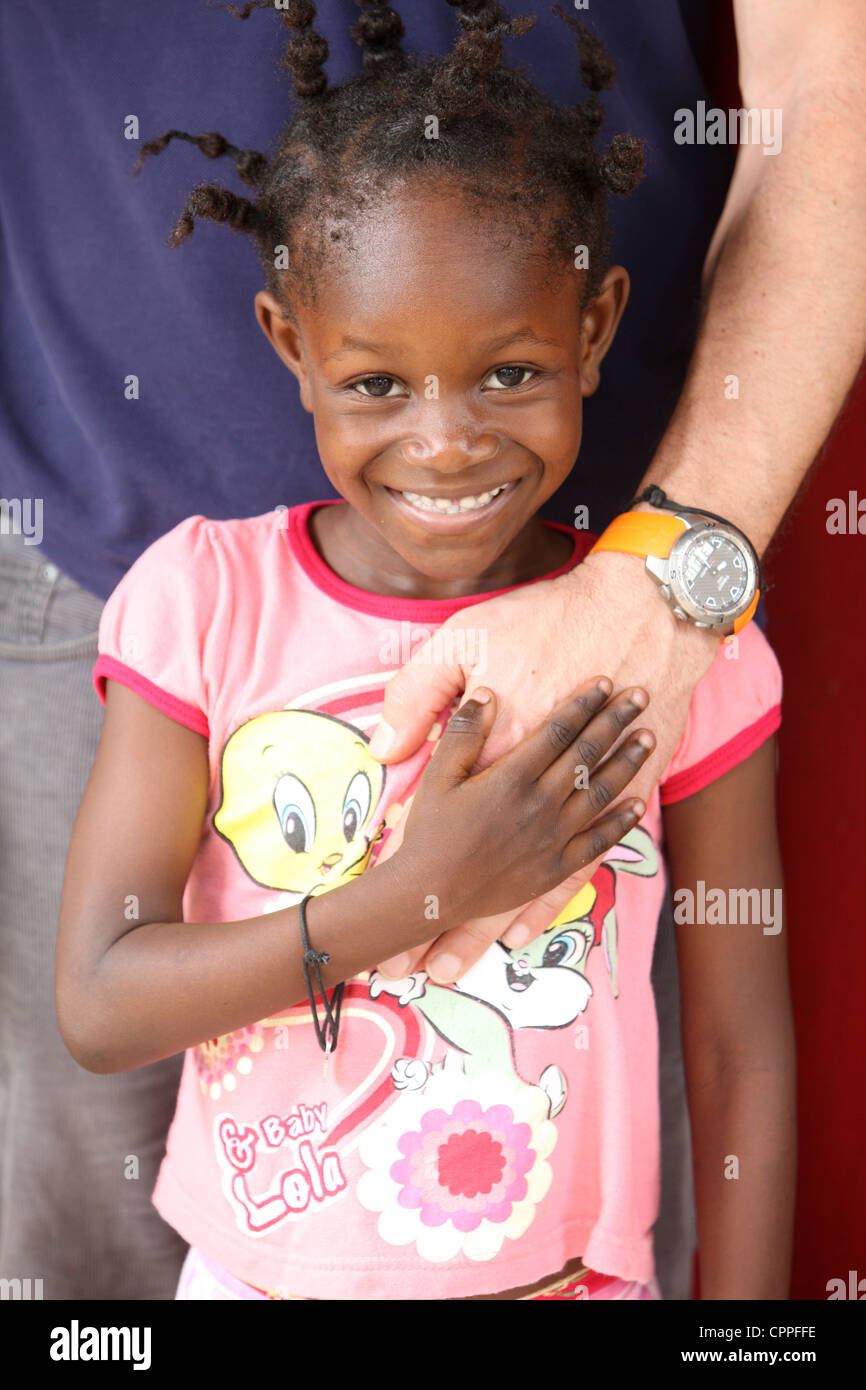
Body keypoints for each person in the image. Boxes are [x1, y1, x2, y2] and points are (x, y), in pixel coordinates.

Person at [55, 4, 795, 1301]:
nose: (446, 441)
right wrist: (416, 896)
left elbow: (742, 1048)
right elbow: (103, 1001)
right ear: (292, 346)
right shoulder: (205, 600)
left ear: (595, 327)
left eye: (507, 373)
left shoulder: (680, 643)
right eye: (378, 385)